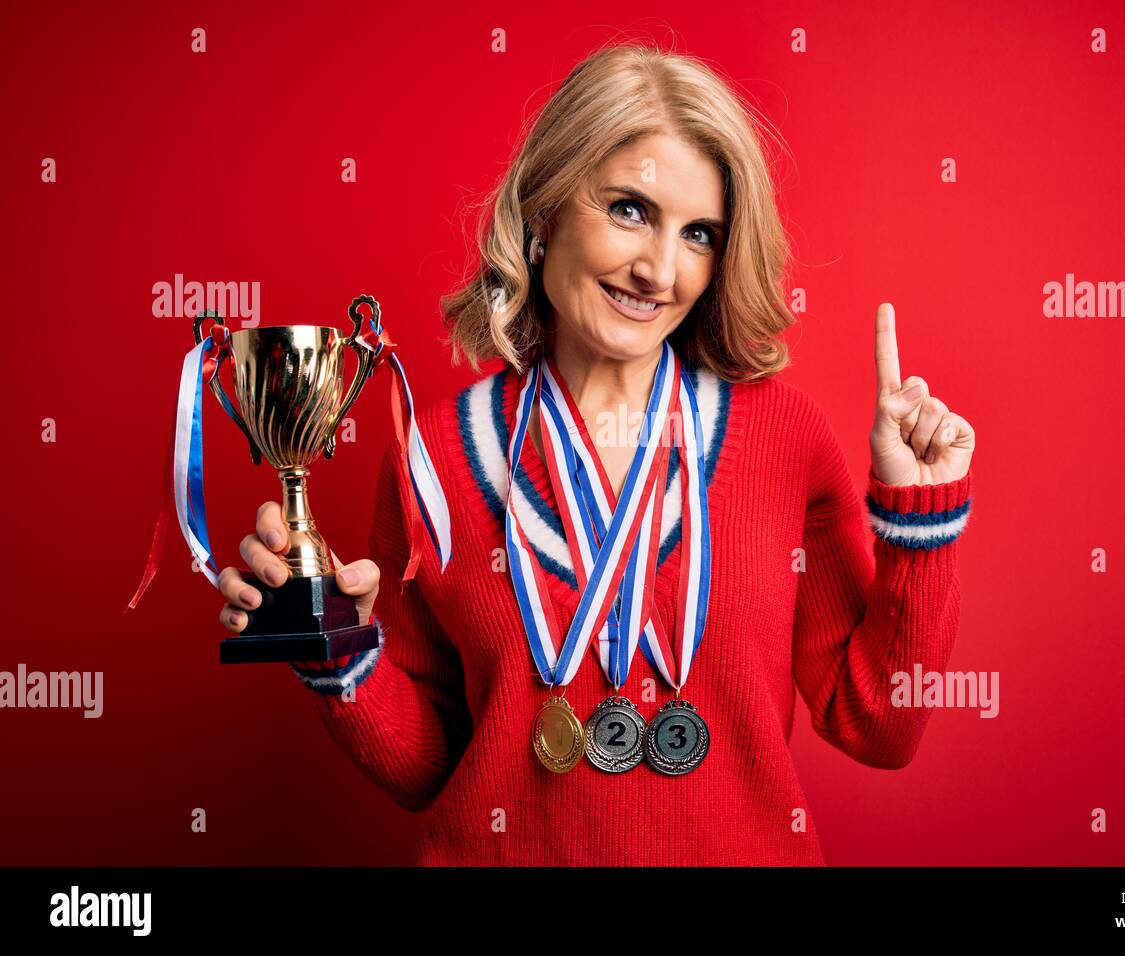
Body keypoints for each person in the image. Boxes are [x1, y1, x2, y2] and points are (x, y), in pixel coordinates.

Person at [215, 42, 975, 866]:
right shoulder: (431, 450)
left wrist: (919, 526)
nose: (659, 269)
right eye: (628, 209)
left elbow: (879, 726)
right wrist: (334, 643)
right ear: (543, 212)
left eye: (699, 234)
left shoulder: (787, 438)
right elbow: (434, 768)